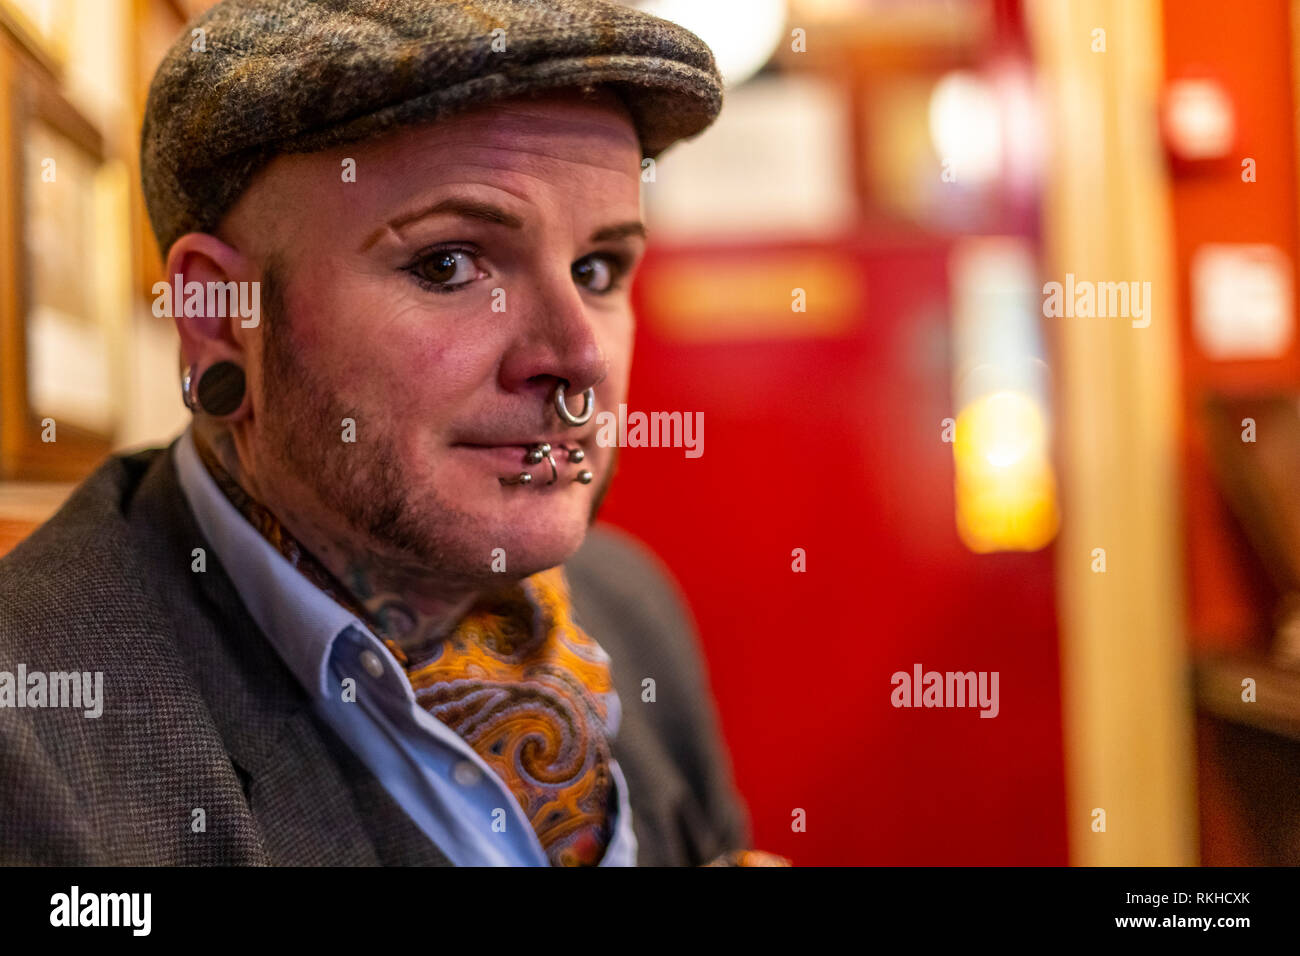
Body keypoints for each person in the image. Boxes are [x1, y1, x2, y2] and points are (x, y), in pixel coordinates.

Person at [0, 0, 786, 866]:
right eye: (447, 263)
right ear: (219, 316)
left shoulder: (631, 610)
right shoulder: (35, 746)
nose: (580, 359)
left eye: (597, 268)